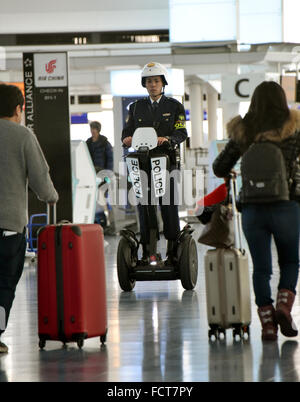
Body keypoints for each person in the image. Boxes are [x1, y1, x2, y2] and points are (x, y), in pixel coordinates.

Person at [212, 81, 300, 341]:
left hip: (252, 208)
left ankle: (268, 325)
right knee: (290, 261)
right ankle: (284, 305)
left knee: (261, 268)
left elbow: (219, 167)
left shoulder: (244, 130)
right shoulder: (293, 128)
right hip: (287, 205)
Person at [0, 84, 58, 353]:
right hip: (9, 229)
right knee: (3, 287)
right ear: (17, 109)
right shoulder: (22, 135)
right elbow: (41, 182)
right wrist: (51, 196)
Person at [122, 62, 187, 263]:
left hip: (166, 162)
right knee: (145, 206)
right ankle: (149, 250)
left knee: (168, 206)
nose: (152, 85)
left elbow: (181, 131)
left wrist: (168, 139)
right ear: (145, 84)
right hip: (142, 163)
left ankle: (173, 250)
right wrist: (127, 139)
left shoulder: (175, 106)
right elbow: (127, 131)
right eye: (149, 81)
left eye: (156, 81)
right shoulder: (135, 108)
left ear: (163, 83)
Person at [86, 121, 113, 228]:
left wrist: (107, 174)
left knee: (102, 197)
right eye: (91, 129)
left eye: (94, 129)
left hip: (102, 174)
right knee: (93, 197)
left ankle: (106, 221)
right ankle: (94, 220)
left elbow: (110, 159)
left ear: (98, 130)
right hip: (91, 175)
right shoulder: (87, 143)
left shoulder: (105, 143)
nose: (92, 131)